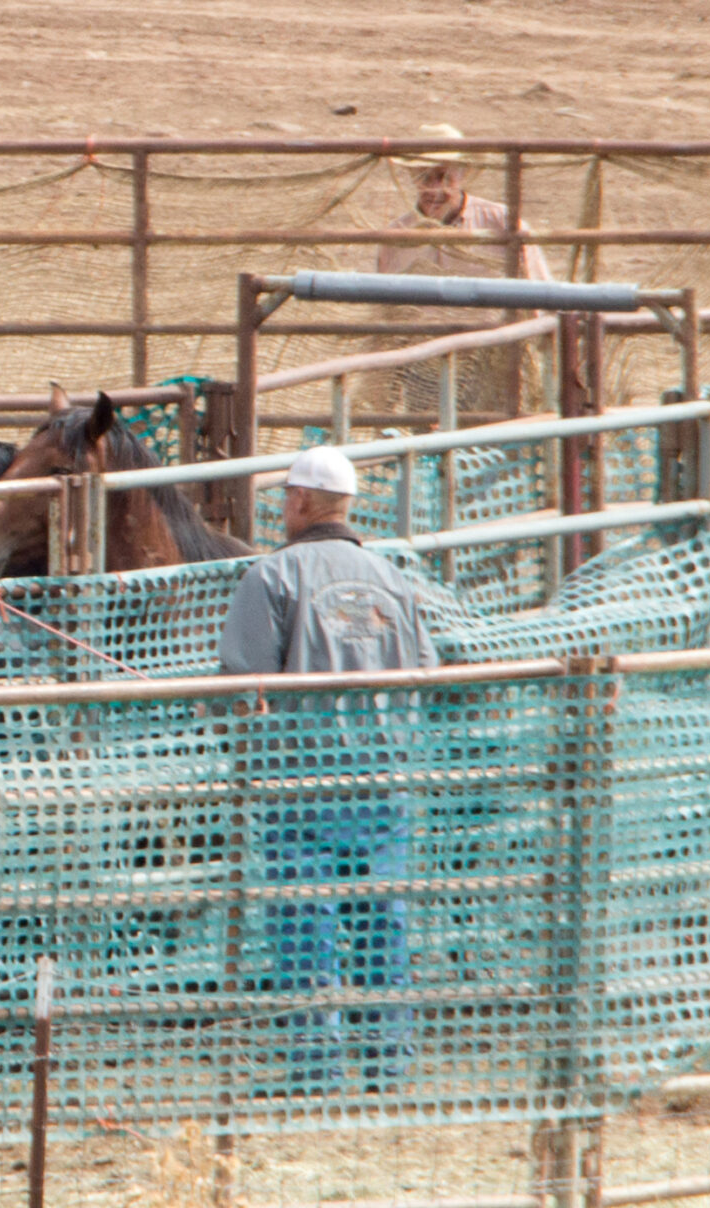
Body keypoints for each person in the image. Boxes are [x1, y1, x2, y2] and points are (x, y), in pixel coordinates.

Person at [218, 446, 438, 1095]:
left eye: (285, 495)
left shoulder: (273, 576)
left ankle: (317, 1066)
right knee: (383, 919)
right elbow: (423, 670)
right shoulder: (394, 579)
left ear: (302, 502)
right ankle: (387, 1061)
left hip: (300, 785)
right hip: (384, 781)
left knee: (303, 923)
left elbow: (241, 680)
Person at [375, 123, 552, 282]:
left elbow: (541, 296)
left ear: (462, 174)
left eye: (444, 177)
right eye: (424, 178)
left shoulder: (503, 222)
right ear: (412, 177)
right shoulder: (396, 236)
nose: (434, 189)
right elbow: (384, 308)